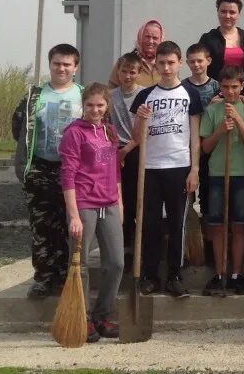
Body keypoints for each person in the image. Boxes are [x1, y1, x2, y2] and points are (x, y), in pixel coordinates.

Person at [130, 41, 202, 298]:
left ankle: (174, 275)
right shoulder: (145, 95)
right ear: (156, 65)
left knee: (177, 223)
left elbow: (195, 137)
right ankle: (149, 275)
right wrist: (139, 117)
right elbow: (137, 136)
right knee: (149, 222)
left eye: (171, 62)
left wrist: (194, 170)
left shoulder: (190, 94)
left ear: (179, 63)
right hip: (149, 167)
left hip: (179, 166)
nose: (166, 67)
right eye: (161, 63)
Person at [12, 44, 83, 298]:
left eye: (67, 64)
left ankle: (67, 276)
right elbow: (19, 130)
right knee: (42, 227)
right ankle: (44, 277)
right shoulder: (34, 96)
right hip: (40, 168)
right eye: (57, 63)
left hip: (72, 172)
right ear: (50, 65)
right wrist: (25, 166)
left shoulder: (83, 97)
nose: (61, 68)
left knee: (69, 225)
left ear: (75, 67)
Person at [58, 82, 124, 342]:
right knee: (79, 264)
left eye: (100, 105)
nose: (95, 110)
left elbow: (115, 170)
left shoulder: (110, 131)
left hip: (108, 203)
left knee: (116, 263)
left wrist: (119, 202)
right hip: (84, 203)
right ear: (83, 105)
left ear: (107, 106)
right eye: (90, 105)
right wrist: (73, 214)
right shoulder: (74, 133)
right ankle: (81, 317)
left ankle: (102, 316)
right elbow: (68, 174)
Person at [199, 66, 244, 295]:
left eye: (234, 87)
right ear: (220, 88)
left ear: (242, 86)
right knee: (218, 226)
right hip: (217, 173)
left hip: (241, 172)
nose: (230, 91)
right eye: (225, 87)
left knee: (239, 225)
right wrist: (221, 129)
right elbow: (205, 147)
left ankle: (237, 273)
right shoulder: (212, 110)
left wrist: (238, 121)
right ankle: (220, 272)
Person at [107, 51, 144, 258]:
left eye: (132, 72)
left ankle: (141, 246)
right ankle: (124, 247)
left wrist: (126, 150)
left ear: (138, 73)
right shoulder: (110, 96)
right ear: (118, 72)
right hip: (115, 151)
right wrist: (116, 152)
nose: (128, 76)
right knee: (122, 200)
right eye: (124, 72)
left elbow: (144, 130)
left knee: (139, 198)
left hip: (137, 149)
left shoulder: (145, 94)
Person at [186, 42, 221, 226]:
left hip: (210, 146)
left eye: (200, 61)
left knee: (208, 194)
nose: (196, 65)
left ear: (208, 61)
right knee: (187, 194)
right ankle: (190, 236)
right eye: (192, 61)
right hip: (187, 146)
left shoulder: (217, 86)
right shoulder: (182, 87)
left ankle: (207, 238)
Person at [198, 0, 244, 78]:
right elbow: (200, 65)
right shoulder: (208, 39)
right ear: (217, 12)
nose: (227, 16)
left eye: (232, 12)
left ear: (239, 14)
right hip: (216, 88)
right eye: (223, 11)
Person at [109, 19, 164, 87]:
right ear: (140, 37)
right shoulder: (124, 62)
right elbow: (111, 93)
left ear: (161, 40)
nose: (150, 41)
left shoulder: (165, 64)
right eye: (147, 37)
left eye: (155, 38)